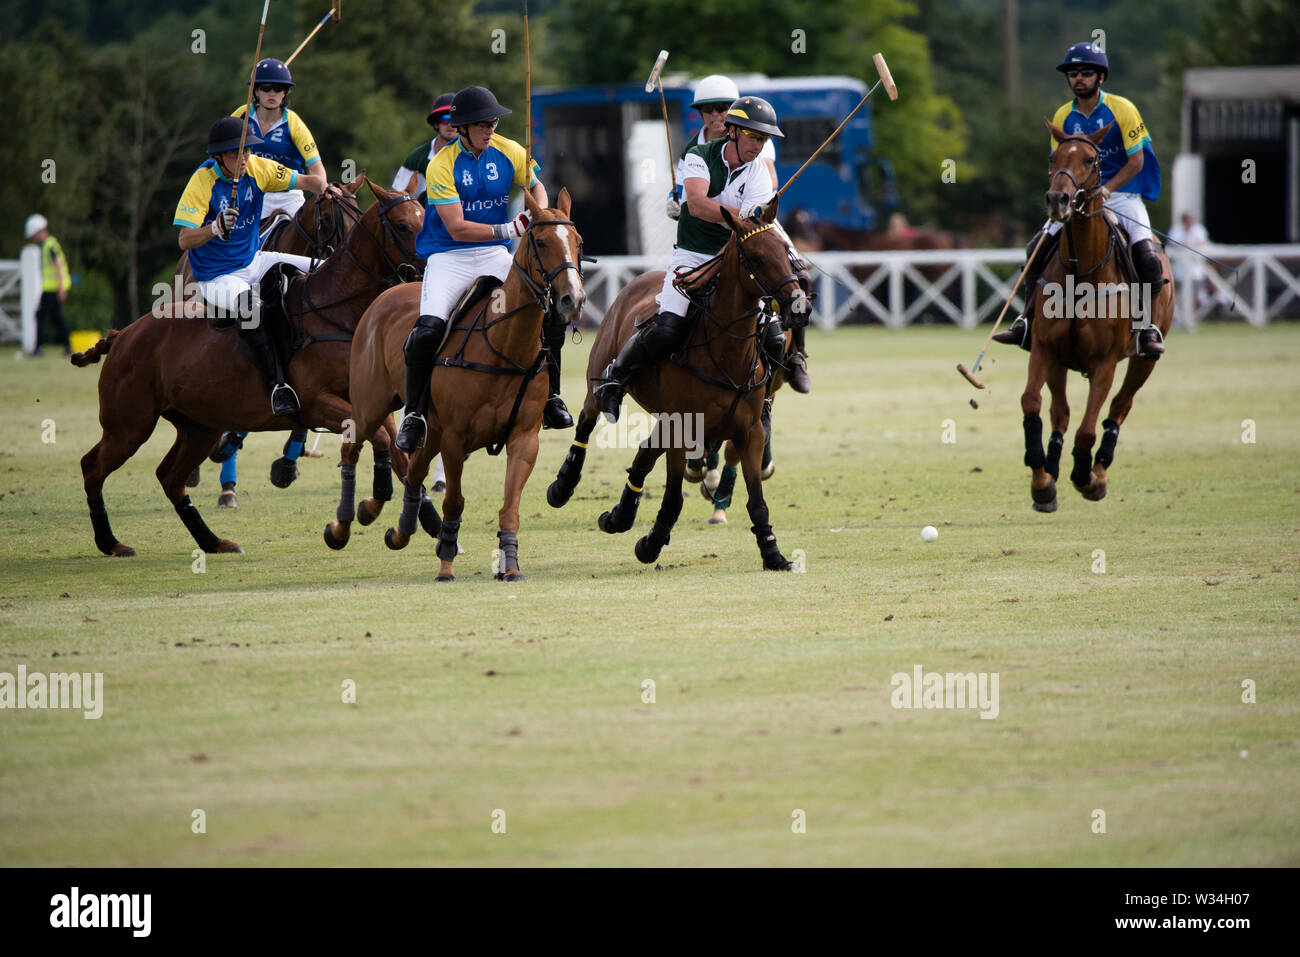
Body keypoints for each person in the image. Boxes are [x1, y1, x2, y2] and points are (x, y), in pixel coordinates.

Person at [394, 85, 566, 453]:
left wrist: (538, 217)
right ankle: (415, 413)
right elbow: (456, 226)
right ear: (464, 127)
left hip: (493, 254)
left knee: (548, 314)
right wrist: (509, 228)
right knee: (427, 332)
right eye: (484, 124)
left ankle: (553, 397)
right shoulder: (441, 164)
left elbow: (538, 189)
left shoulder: (509, 150)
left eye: (493, 123)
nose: (491, 129)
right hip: (448, 256)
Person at [599, 96, 788, 420]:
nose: (758, 146)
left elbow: (754, 230)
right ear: (733, 131)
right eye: (754, 136)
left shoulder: (758, 172)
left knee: (772, 335)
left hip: (732, 260)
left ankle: (763, 400)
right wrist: (743, 215)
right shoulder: (699, 156)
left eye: (763, 139)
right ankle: (615, 378)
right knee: (667, 327)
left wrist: (744, 223)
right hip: (691, 255)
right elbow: (698, 205)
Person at [993, 41, 1166, 357]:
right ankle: (1028, 321)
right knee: (1036, 249)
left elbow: (1136, 161)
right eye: (1073, 73)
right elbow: (1058, 161)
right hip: (1078, 199)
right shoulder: (1063, 115)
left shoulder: (1122, 109)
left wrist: (1107, 190)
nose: (1079, 78)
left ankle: (1146, 327)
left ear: (1101, 77)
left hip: (1122, 195)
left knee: (1147, 256)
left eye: (1086, 72)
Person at [174, 116, 336, 417]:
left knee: (327, 268)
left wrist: (325, 188)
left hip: (254, 260)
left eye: (248, 150)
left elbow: (308, 181)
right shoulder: (203, 181)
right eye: (238, 153)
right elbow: (185, 239)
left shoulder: (258, 167)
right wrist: (215, 227)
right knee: (252, 307)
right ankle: (277, 385)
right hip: (217, 275)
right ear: (219, 156)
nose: (245, 158)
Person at [667, 78, 810, 393]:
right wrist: (680, 199)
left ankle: (796, 356)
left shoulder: (757, 144)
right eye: (710, 109)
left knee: (798, 273)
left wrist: (747, 209)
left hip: (746, 239)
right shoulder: (695, 150)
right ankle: (616, 376)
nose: (716, 114)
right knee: (666, 328)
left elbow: (759, 193)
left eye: (722, 107)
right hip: (697, 248)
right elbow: (693, 199)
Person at [231, 58, 325, 225]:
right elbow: (222, 153)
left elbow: (314, 165)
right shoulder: (242, 116)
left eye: (278, 89)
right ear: (256, 91)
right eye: (266, 88)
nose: (272, 93)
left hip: (290, 196)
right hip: (252, 193)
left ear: (285, 93)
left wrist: (322, 191)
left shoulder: (293, 122)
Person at [393, 93, 457, 203]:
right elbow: (397, 199)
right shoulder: (417, 158)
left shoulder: (473, 154)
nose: (450, 124)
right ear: (436, 124)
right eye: (445, 119)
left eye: (455, 119)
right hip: (424, 218)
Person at [24, 214, 71, 356]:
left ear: (39, 231)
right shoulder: (48, 245)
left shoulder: (49, 245)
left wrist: (61, 288)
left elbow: (57, 266)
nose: (34, 238)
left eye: (34, 234)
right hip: (53, 287)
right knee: (56, 317)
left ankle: (38, 348)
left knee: (40, 316)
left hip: (53, 288)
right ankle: (67, 346)